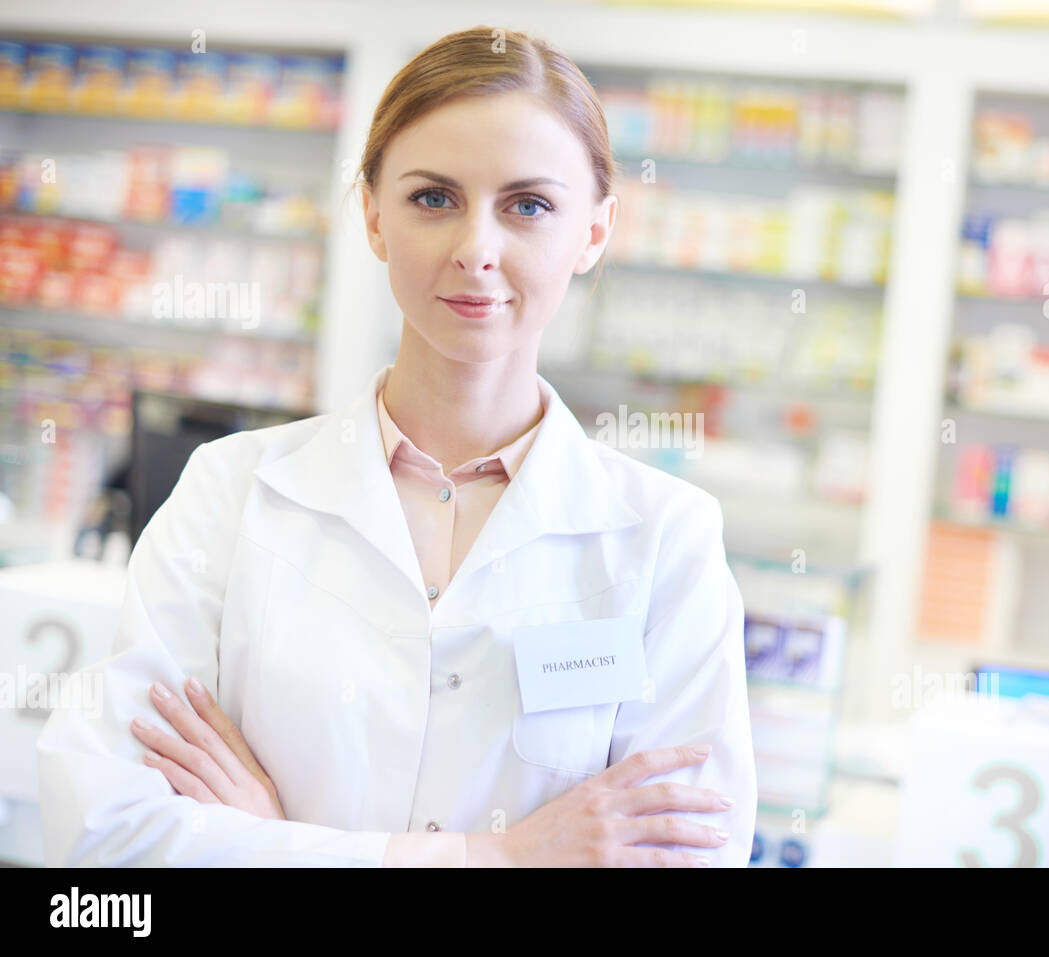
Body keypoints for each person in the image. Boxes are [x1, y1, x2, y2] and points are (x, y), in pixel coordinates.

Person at [36, 25, 757, 868]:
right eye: (433, 198)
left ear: (594, 232)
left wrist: (270, 842)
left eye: (528, 206)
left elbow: (685, 853)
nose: (476, 251)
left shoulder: (666, 538)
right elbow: (101, 836)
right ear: (373, 213)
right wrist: (508, 856)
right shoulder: (231, 491)